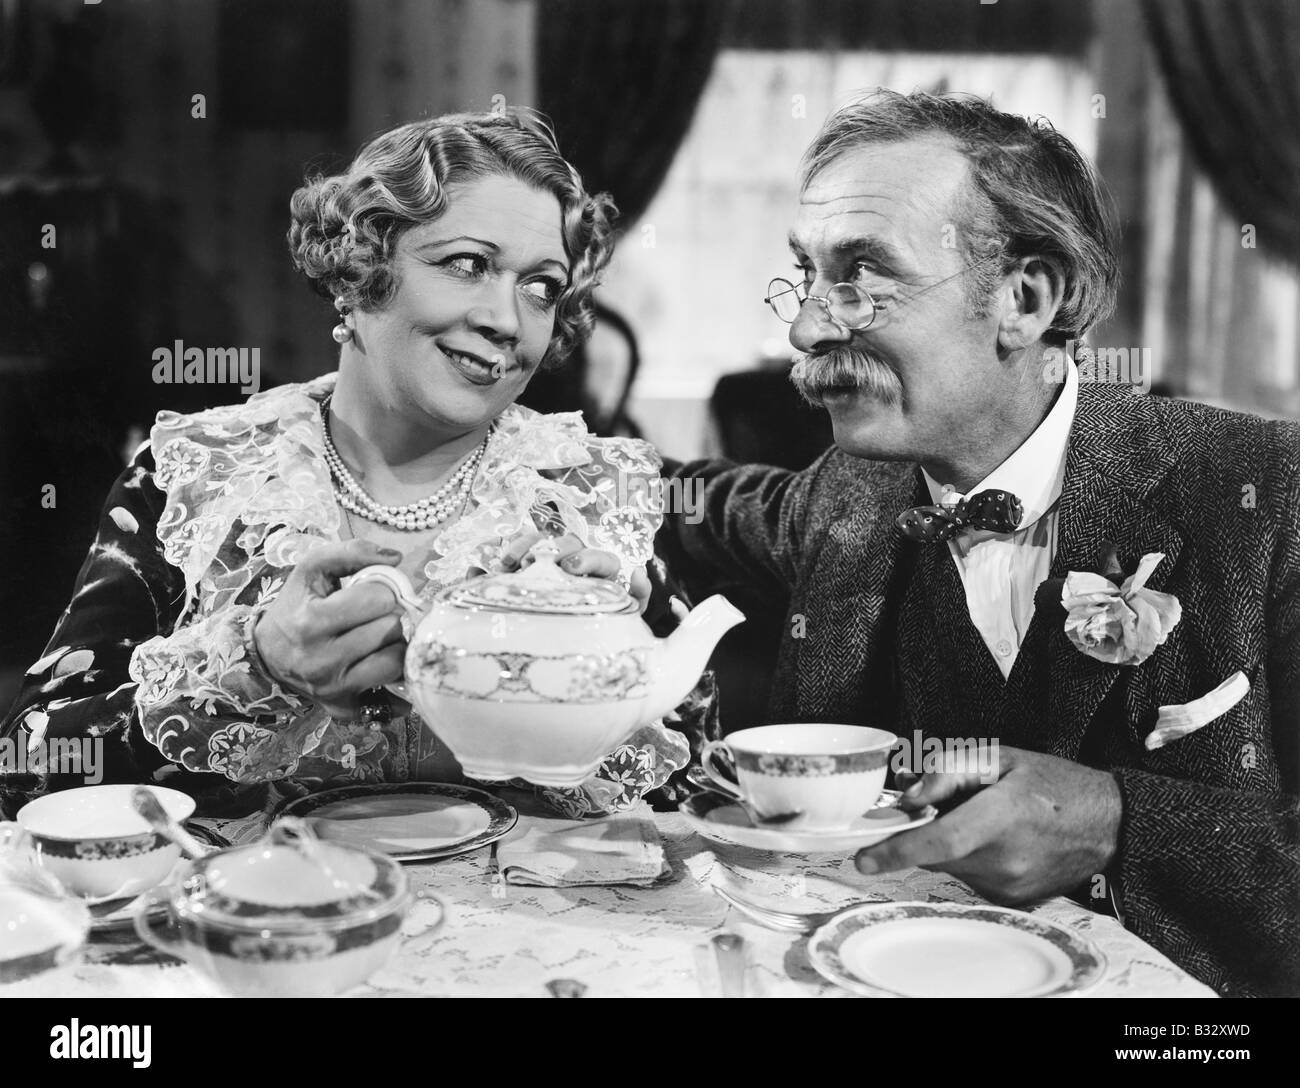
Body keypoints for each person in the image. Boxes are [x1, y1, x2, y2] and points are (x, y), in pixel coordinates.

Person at [658, 90, 1299, 997]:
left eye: (863, 276)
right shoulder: (845, 496)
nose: (804, 331)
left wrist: (1119, 818)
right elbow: (695, 504)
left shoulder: (1268, 491)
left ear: (1024, 299)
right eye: (806, 276)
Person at [1, 109, 711, 821]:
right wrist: (259, 668)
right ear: (359, 268)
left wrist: (607, 664)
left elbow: (701, 790)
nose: (508, 319)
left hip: (528, 924)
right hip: (269, 920)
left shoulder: (596, 493)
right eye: (467, 264)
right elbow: (26, 766)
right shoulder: (196, 475)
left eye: (541, 287)